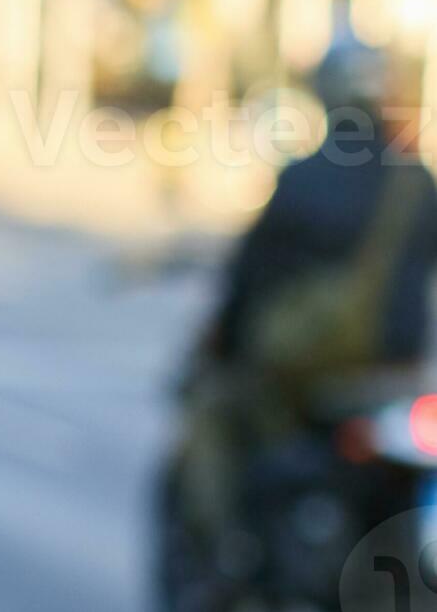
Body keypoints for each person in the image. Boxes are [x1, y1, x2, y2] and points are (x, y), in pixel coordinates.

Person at [180, 38, 437, 540]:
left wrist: (225, 337)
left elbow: (250, 277)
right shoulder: (416, 181)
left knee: (220, 413)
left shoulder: (303, 177)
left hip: (312, 367)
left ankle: (231, 542)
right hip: (398, 368)